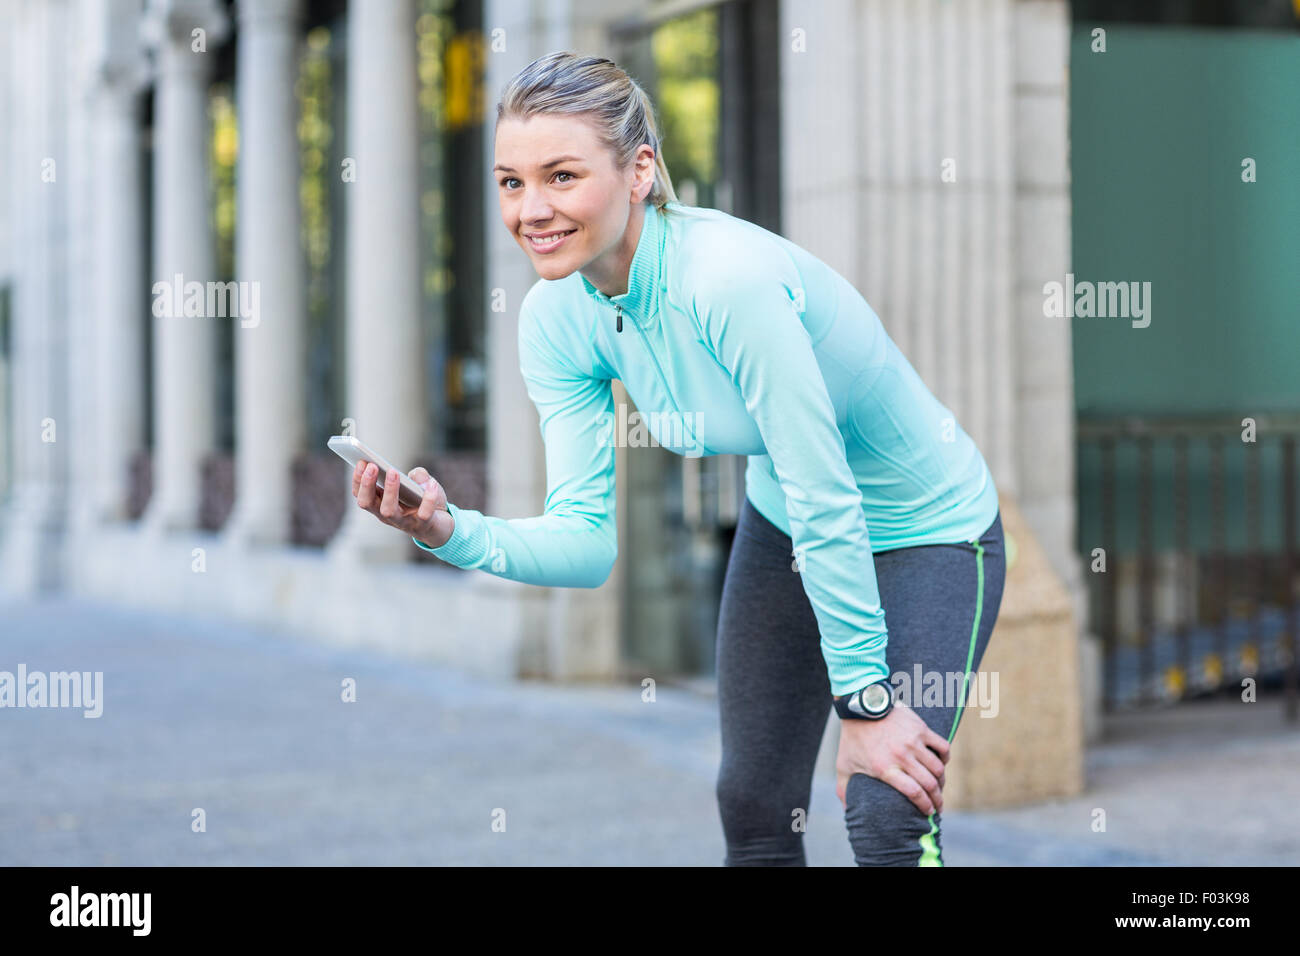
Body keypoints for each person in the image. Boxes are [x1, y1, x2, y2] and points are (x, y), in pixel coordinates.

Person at [350, 51, 1006, 866]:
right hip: (788, 525)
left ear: (639, 171)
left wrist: (865, 704)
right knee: (754, 805)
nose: (532, 209)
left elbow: (825, 489)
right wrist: (449, 531)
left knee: (884, 808)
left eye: (561, 175)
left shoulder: (725, 282)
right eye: (511, 182)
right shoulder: (557, 318)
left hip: (930, 530)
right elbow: (586, 544)